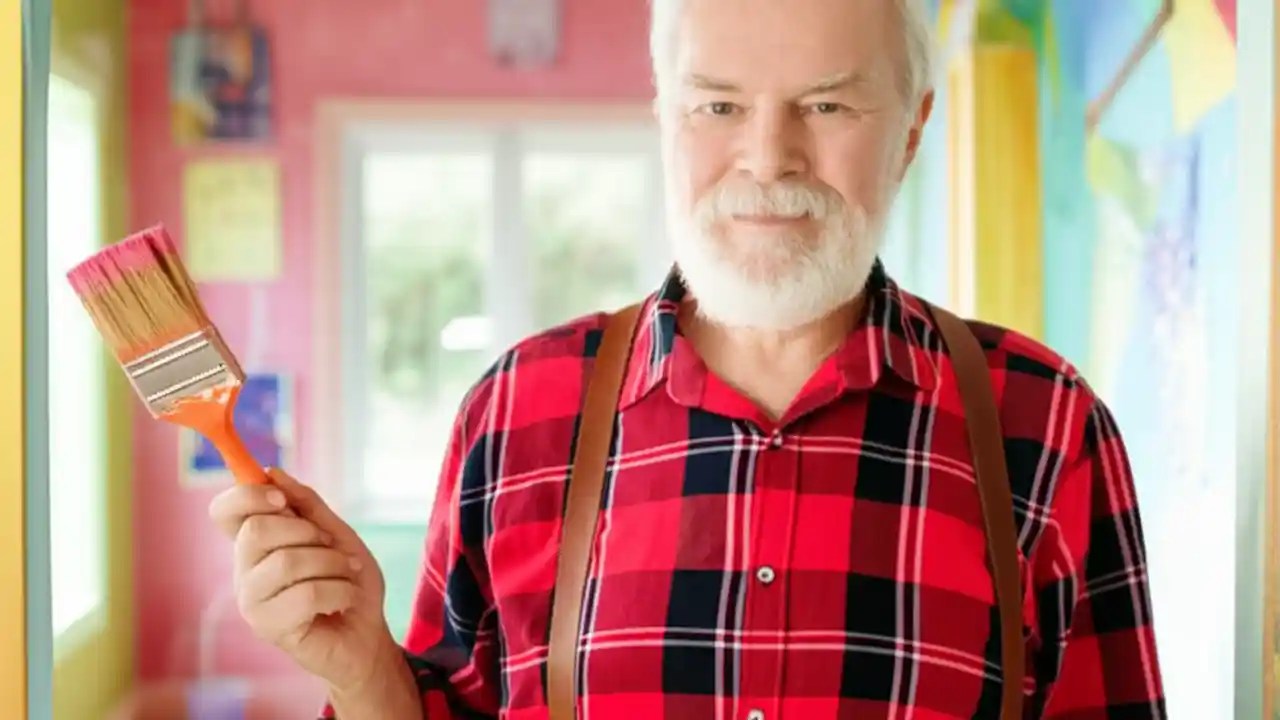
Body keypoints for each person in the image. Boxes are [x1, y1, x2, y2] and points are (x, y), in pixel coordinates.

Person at [209, 0, 1167, 717]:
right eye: (718, 106)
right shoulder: (516, 411)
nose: (768, 157)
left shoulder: (1045, 424)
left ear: (912, 129)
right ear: (664, 113)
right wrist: (362, 670)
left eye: (827, 104)